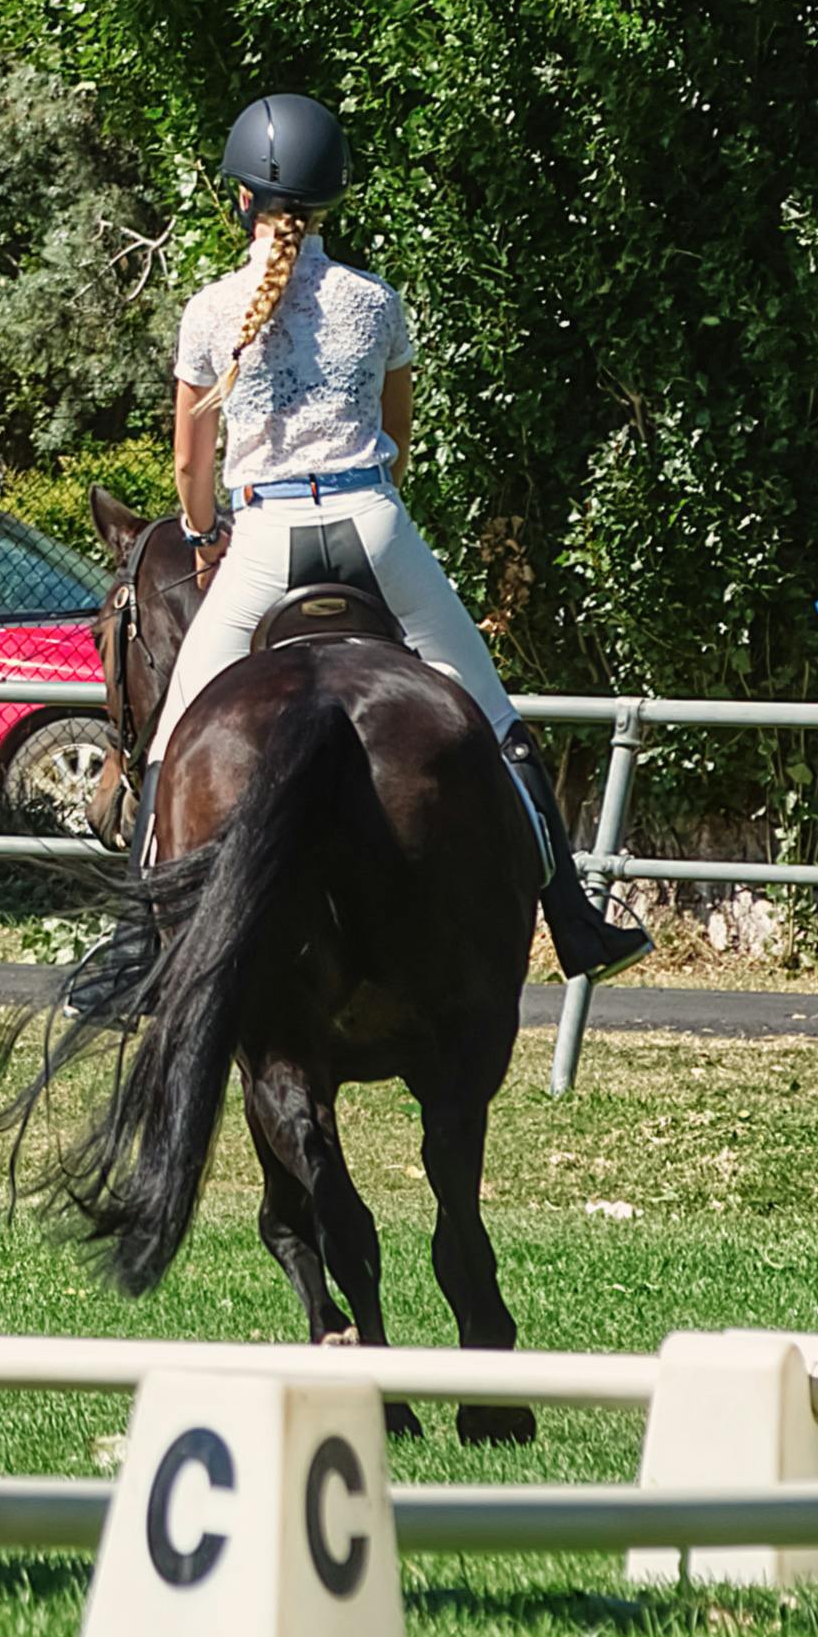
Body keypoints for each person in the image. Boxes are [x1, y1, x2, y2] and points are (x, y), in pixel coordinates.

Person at [154, 95, 648, 983]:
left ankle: (133, 947)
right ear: (333, 199)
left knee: (171, 740)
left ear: (239, 200)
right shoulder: (377, 302)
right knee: (497, 721)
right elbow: (401, 443)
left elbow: (193, 473)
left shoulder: (208, 312)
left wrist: (200, 535)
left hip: (263, 538)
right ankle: (576, 921)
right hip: (372, 526)